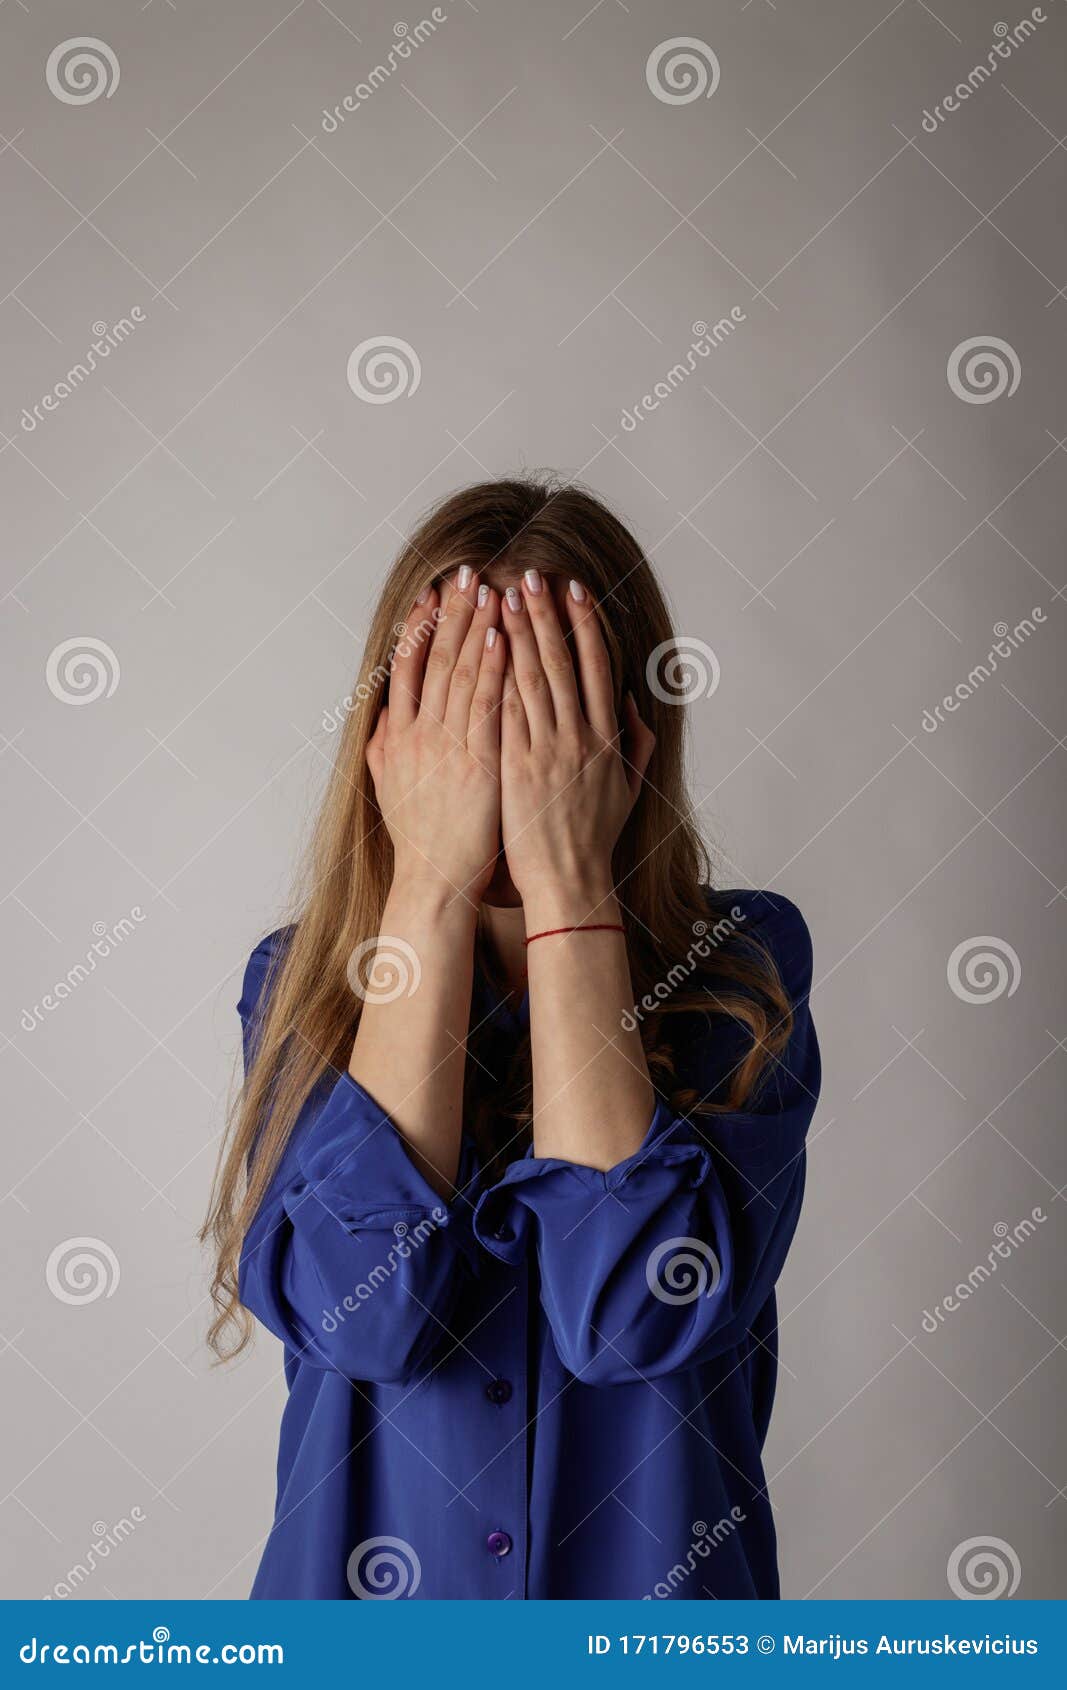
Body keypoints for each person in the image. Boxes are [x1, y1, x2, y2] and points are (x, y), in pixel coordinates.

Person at [202, 476, 820, 1600]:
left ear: (624, 737)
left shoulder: (740, 975)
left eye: (542, 719)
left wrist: (569, 887)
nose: (496, 775)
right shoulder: (298, 989)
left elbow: (634, 1314)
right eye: (458, 717)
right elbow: (367, 1313)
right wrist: (429, 885)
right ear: (389, 738)